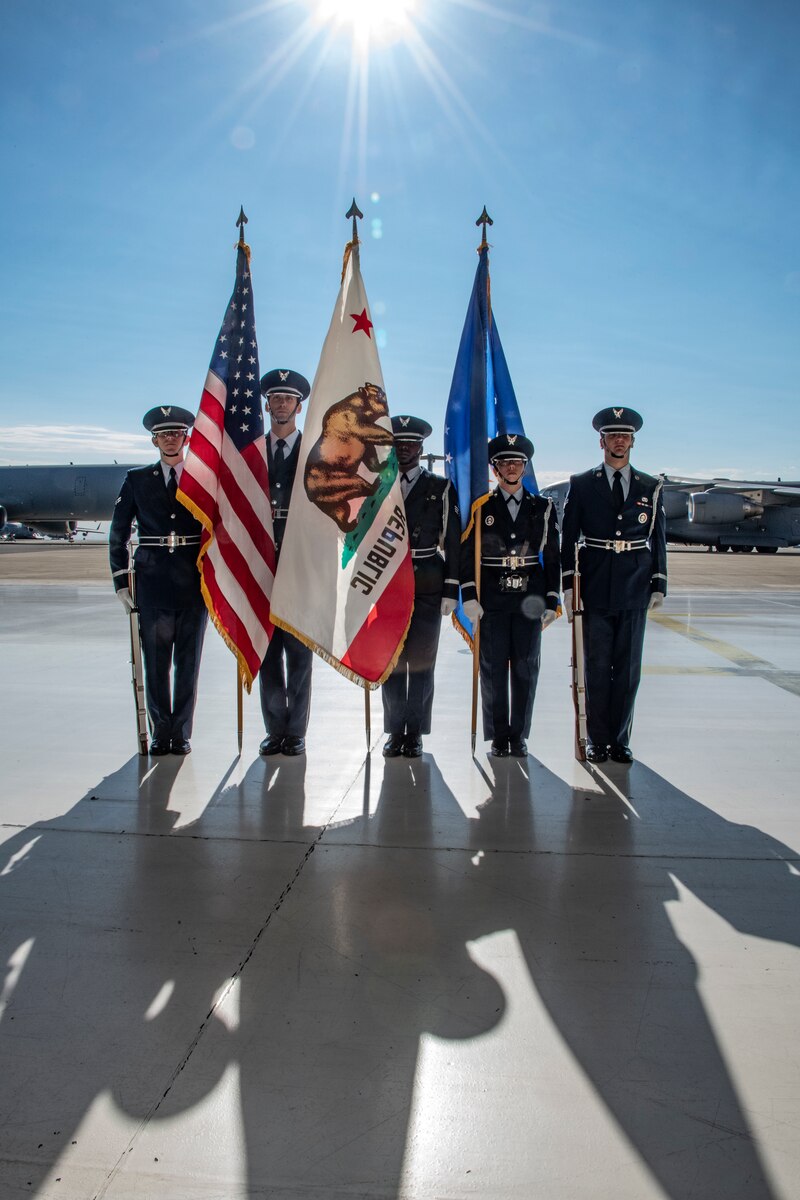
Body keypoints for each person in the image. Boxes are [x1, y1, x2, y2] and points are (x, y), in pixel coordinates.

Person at [561, 407, 667, 764]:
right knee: (596, 665)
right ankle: (597, 739)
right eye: (612, 435)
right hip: (594, 583)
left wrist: (659, 583)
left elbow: (658, 538)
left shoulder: (650, 486)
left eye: (625, 436)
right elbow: (568, 537)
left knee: (627, 668)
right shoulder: (581, 483)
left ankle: (620, 740)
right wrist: (568, 584)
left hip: (635, 585)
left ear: (632, 441)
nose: (619, 441)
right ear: (601, 442)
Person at [109, 406, 208, 755]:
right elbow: (118, 532)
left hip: (193, 583)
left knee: (188, 664)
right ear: (154, 441)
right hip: (152, 582)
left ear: (186, 438)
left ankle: (180, 733)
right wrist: (121, 582)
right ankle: (159, 731)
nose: (170, 439)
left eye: (176, 433)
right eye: (163, 434)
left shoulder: (202, 478)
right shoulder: (136, 480)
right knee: (155, 662)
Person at [460, 434, 560, 758]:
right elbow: (467, 555)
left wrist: (552, 598)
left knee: (525, 667)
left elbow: (553, 556)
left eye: (517, 462)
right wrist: (469, 595)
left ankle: (518, 735)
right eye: (505, 462)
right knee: (492, 668)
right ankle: (498, 735)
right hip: (492, 598)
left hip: (530, 599)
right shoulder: (481, 508)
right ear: (495, 468)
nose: (512, 467)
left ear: (525, 467)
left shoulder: (542, 508)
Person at [381, 415, 462, 758]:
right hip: (387, 582)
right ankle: (393, 730)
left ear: (421, 447)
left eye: (411, 443)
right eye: (399, 443)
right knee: (392, 660)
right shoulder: (379, 484)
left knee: (421, 660)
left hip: (428, 581)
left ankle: (414, 732)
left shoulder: (440, 488)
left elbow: (454, 541)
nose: (405, 448)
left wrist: (451, 589)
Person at [258, 368, 314, 757]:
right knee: (267, 655)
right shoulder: (249, 454)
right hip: (260, 564)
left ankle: (296, 731)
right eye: (275, 398)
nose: (281, 404)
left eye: (288, 398)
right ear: (267, 406)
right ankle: (273, 728)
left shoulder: (314, 452)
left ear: (299, 406)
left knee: (298, 656)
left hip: (300, 567)